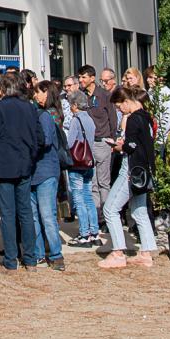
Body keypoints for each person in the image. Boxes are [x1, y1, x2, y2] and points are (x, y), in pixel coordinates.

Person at [0, 70, 44, 271]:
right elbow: (39, 138)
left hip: (3, 164)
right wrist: (31, 155)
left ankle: (11, 259)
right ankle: (30, 258)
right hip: (24, 163)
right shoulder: (29, 108)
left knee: (8, 213)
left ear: (3, 88)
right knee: (25, 211)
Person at [98, 86, 158, 268]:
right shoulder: (146, 117)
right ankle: (146, 252)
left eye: (118, 106)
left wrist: (118, 146)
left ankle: (117, 252)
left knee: (110, 209)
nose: (119, 110)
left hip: (131, 169)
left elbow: (131, 146)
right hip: (145, 169)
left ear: (125, 102)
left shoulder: (132, 119)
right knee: (139, 210)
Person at [28, 80, 66, 271]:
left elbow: (46, 141)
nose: (35, 96)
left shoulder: (46, 115)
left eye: (38, 92)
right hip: (39, 171)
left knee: (46, 215)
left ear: (47, 93)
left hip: (45, 171)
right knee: (38, 215)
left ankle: (55, 255)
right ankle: (40, 253)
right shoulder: (48, 114)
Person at [80, 65, 118, 226]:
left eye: (83, 77)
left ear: (92, 78)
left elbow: (113, 119)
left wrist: (111, 139)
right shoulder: (81, 96)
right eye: (80, 77)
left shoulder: (104, 96)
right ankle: (97, 217)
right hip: (87, 144)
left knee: (103, 182)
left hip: (102, 141)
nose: (81, 80)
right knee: (92, 182)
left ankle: (108, 216)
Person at [63, 90, 100, 245]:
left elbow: (70, 143)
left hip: (77, 163)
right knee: (88, 197)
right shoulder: (90, 120)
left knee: (78, 197)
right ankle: (95, 232)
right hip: (89, 161)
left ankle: (84, 233)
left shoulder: (75, 120)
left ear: (75, 105)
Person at [146, 66, 170, 140]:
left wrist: (157, 136)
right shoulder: (151, 91)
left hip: (161, 138)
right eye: (148, 77)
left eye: (151, 77)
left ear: (160, 78)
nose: (147, 80)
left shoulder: (167, 94)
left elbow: (168, 119)